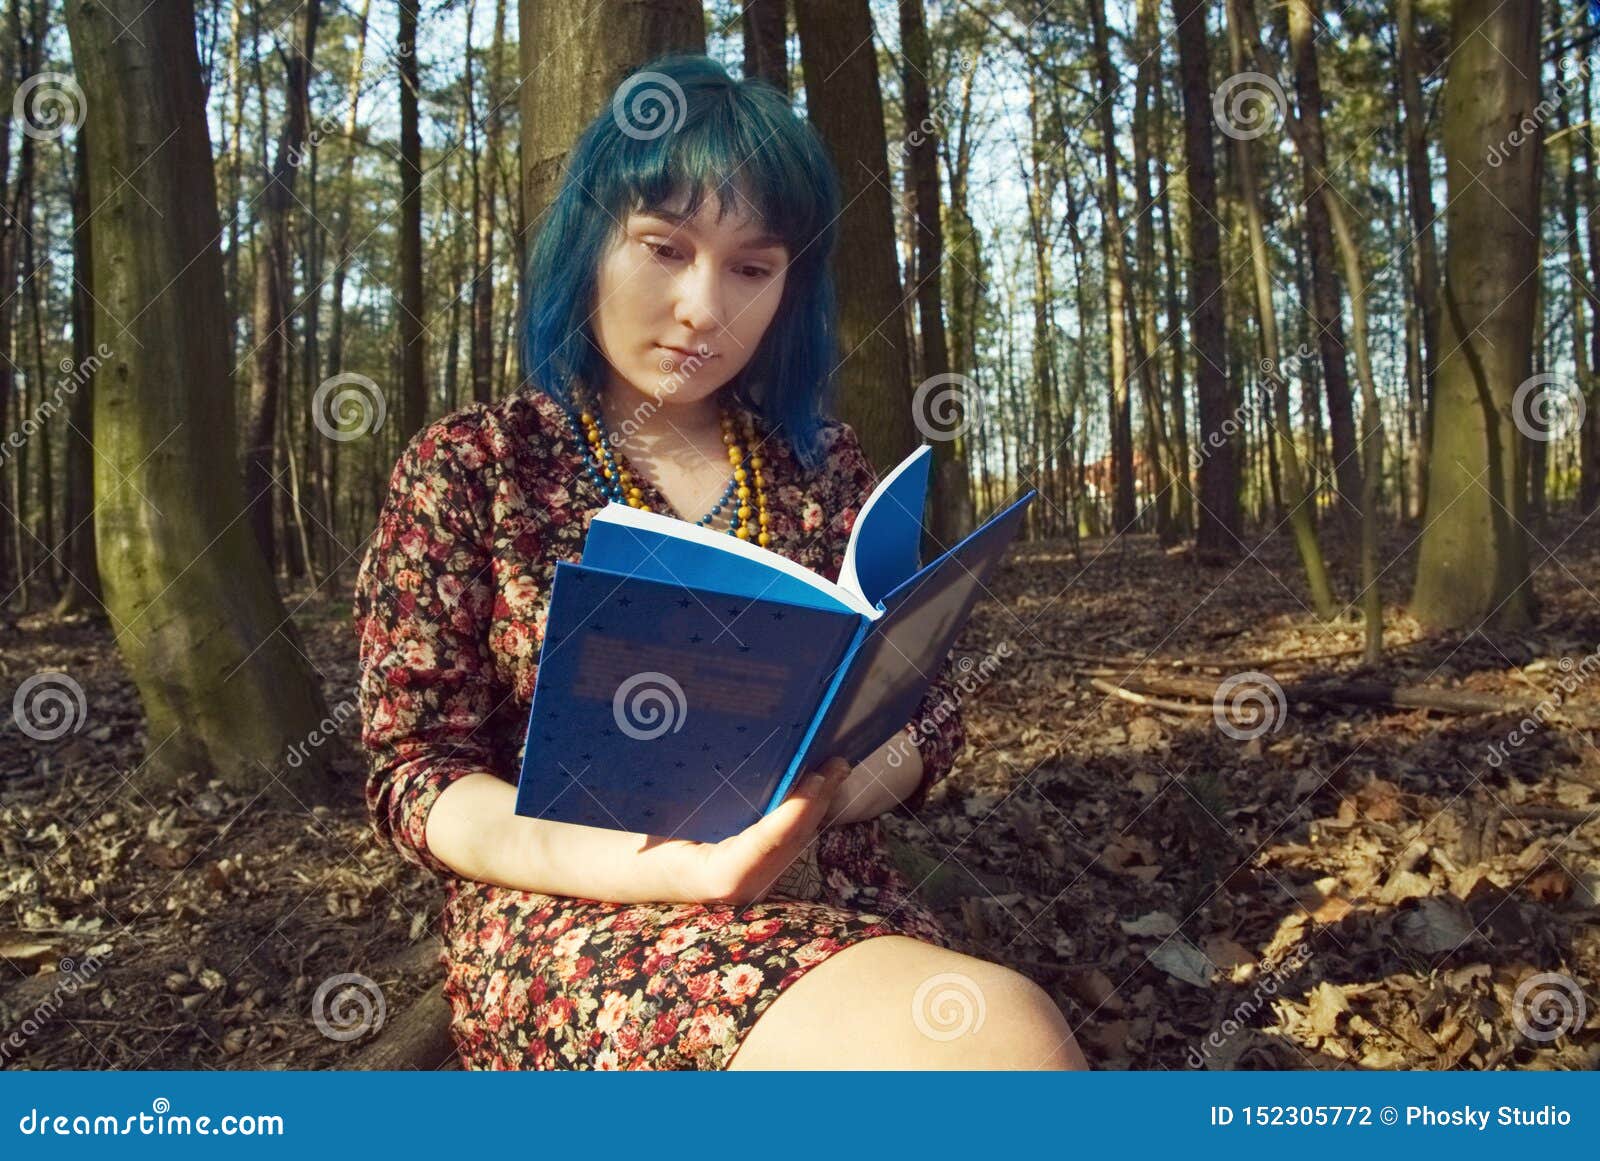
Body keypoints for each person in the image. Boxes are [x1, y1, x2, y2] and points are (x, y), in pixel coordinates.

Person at [353, 53, 1087, 1071]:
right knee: (983, 1052)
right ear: (588, 242)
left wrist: (840, 786)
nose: (704, 307)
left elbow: (928, 705)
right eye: (663, 246)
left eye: (752, 266)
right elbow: (414, 774)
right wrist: (667, 875)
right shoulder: (475, 466)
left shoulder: (819, 461)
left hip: (826, 886)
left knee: (994, 1043)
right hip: (578, 915)